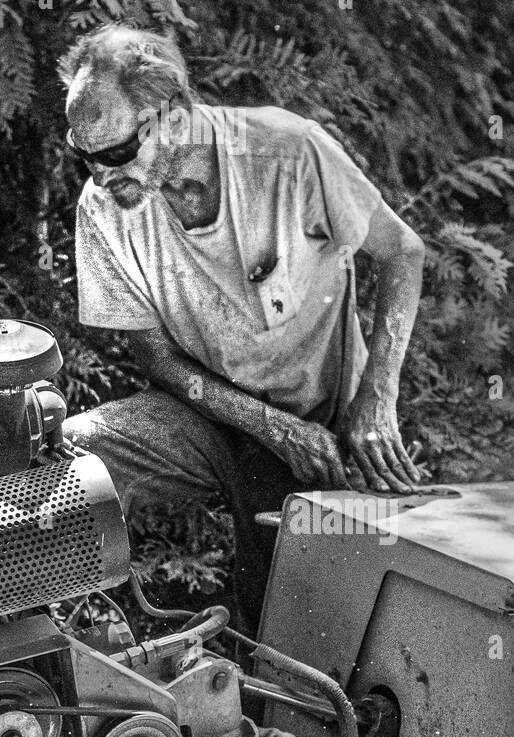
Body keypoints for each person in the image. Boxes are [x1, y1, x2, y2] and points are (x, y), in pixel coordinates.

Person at [60, 23, 426, 633]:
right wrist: (263, 424)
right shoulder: (103, 211)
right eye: (84, 153)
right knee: (70, 464)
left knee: (297, 621)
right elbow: (156, 360)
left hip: (324, 419)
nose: (99, 177)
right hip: (205, 410)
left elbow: (402, 253)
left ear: (171, 114)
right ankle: (33, 636)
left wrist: (377, 397)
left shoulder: (289, 152)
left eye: (117, 154)